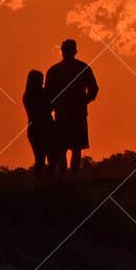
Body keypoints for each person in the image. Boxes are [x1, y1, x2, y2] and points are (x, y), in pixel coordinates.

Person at [43, 39, 99, 175]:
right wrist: (83, 101)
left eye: (67, 50)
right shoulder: (80, 68)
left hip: (70, 114)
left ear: (73, 52)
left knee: (70, 147)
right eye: (65, 50)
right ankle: (68, 177)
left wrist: (83, 101)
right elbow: (94, 89)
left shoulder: (56, 70)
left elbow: (94, 89)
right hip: (67, 114)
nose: (66, 53)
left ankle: (69, 176)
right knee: (68, 147)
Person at [22, 70, 54, 176]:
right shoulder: (35, 96)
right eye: (41, 81)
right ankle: (46, 181)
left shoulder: (27, 96)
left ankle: (40, 182)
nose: (42, 83)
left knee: (40, 159)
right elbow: (48, 107)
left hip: (35, 130)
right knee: (47, 158)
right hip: (41, 129)